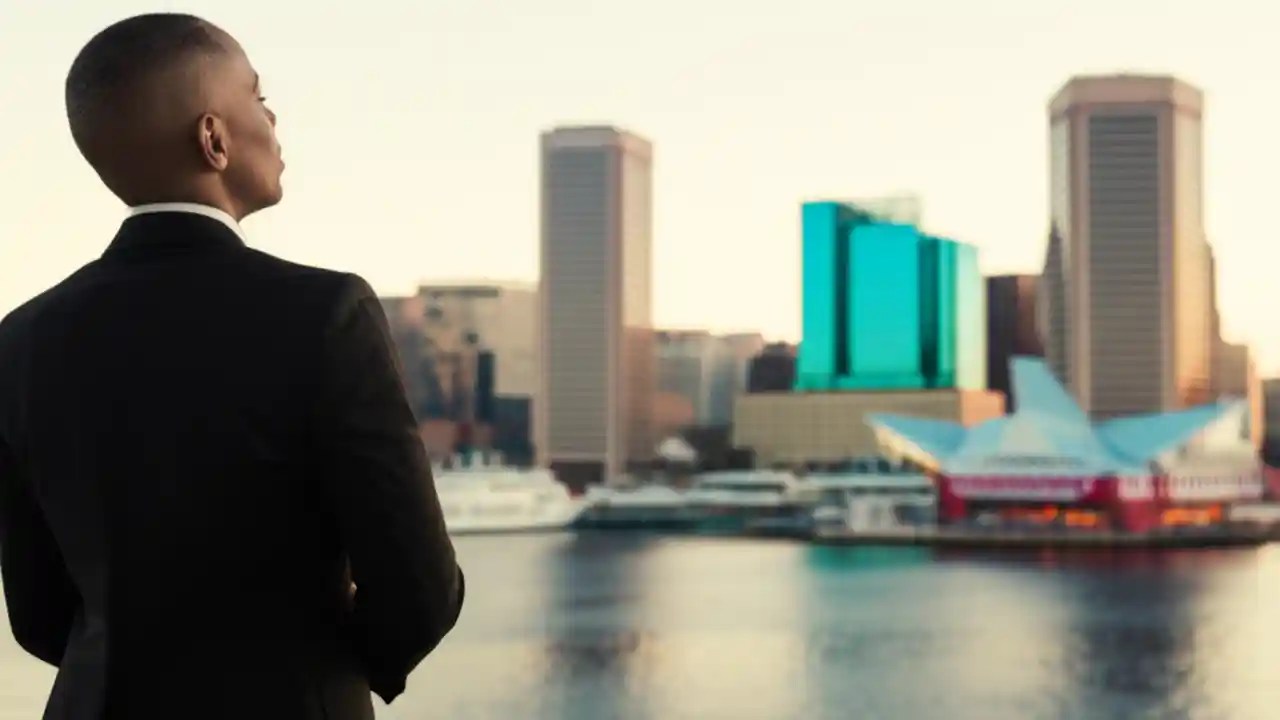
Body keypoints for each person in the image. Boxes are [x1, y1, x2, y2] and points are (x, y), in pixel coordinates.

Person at [0, 13, 463, 719]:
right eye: (258, 95)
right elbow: (419, 590)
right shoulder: (327, 313)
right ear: (212, 138)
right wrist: (324, 672)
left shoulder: (22, 339)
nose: (273, 119)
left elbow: (36, 613)